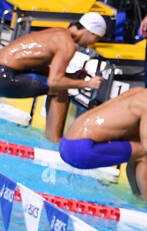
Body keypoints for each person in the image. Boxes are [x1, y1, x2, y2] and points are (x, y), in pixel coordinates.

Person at [59, 73, 147, 198]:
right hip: (81, 151)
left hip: (66, 145)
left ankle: (138, 196)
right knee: (143, 153)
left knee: (136, 145)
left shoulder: (136, 91)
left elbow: (127, 132)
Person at [0, 15, 106, 143]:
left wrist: (70, 77)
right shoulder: (68, 45)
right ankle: (54, 141)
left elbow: (36, 67)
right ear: (89, 31)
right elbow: (54, 81)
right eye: (96, 38)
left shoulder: (58, 33)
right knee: (59, 90)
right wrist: (87, 83)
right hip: (5, 77)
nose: (93, 43)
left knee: (59, 86)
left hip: (5, 72)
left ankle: (52, 139)